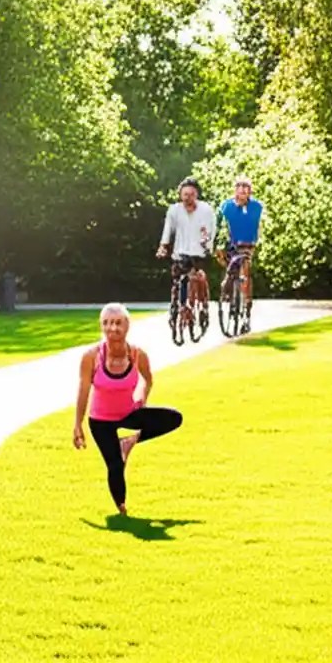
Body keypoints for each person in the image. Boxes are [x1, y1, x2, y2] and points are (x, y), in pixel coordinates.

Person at [73, 303, 183, 514]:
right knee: (115, 466)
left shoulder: (137, 355)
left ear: (127, 326)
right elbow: (83, 390)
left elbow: (148, 380)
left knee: (174, 418)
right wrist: (77, 424)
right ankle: (122, 509)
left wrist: (142, 397)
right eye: (106, 323)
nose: (112, 328)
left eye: (117, 323)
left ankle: (129, 441)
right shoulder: (91, 357)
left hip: (129, 413)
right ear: (101, 327)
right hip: (100, 421)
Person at [156, 178, 216, 324]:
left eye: (191, 194)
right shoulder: (174, 210)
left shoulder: (206, 210)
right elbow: (168, 230)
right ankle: (179, 307)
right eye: (185, 194)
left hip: (199, 251)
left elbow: (210, 231)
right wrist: (163, 246)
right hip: (180, 252)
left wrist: (206, 241)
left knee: (198, 277)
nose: (188, 198)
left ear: (197, 195)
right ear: (180, 195)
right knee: (178, 280)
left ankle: (203, 306)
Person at [215, 176, 264, 330]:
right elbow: (217, 225)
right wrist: (217, 244)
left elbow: (260, 226)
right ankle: (228, 293)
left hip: (248, 245)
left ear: (249, 192)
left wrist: (256, 242)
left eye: (246, 189)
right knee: (229, 270)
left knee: (245, 272)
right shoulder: (226, 206)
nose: (242, 192)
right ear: (235, 190)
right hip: (231, 244)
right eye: (239, 188)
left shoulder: (256, 207)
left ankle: (246, 308)